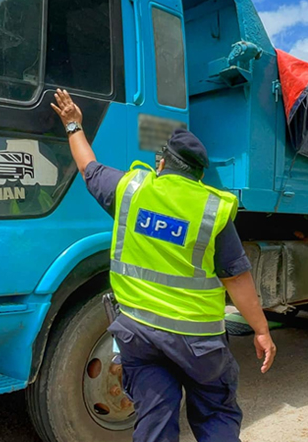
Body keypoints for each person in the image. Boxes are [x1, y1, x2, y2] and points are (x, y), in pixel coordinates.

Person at [51, 89, 277, 442]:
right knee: (215, 413)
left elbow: (88, 168)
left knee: (155, 418)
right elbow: (237, 279)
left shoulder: (131, 191)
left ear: (162, 162)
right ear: (198, 174)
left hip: (140, 334)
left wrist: (73, 124)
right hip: (199, 344)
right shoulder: (210, 210)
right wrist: (261, 331)